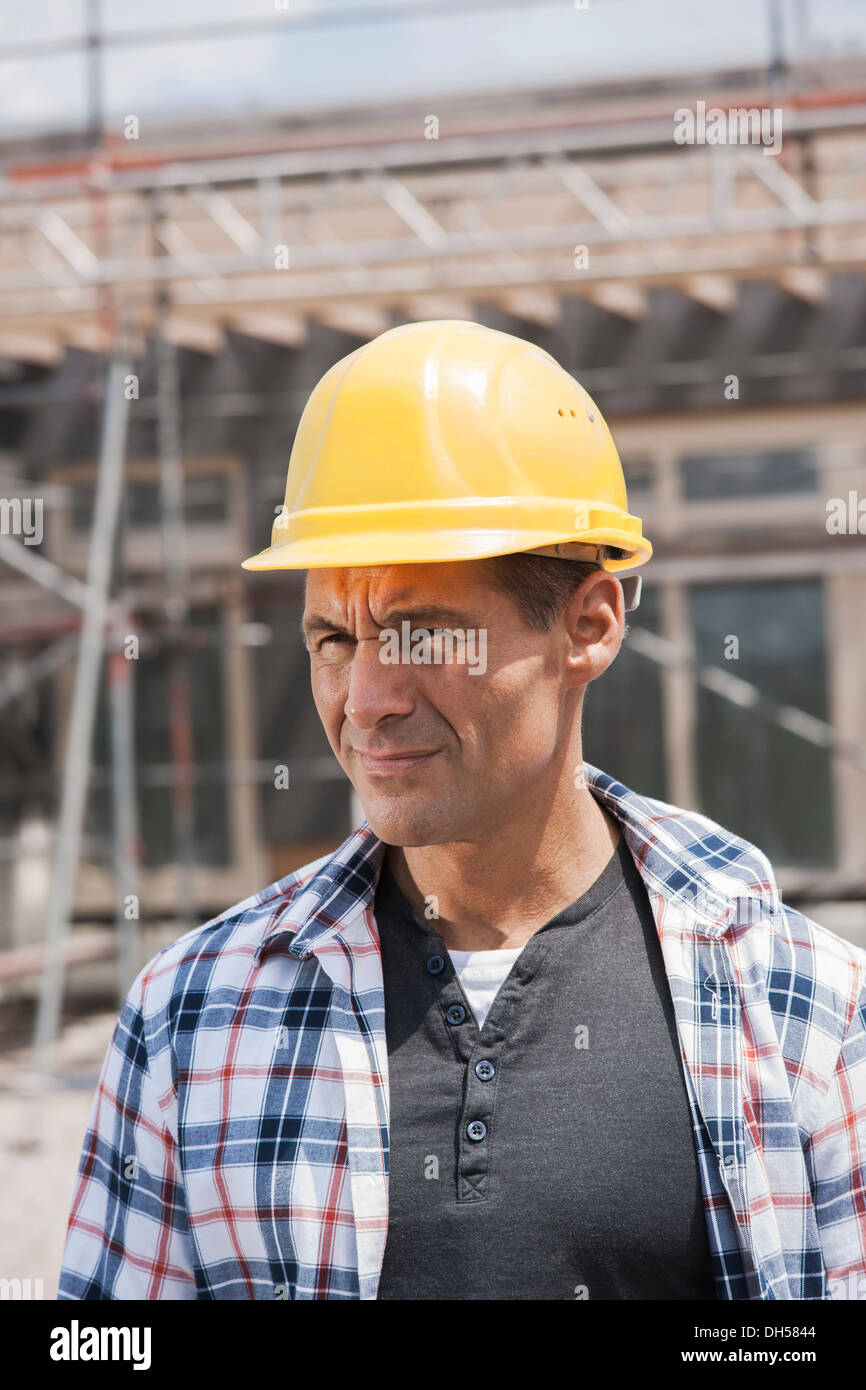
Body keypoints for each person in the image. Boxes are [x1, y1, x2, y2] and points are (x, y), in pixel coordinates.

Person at [58, 320, 866, 1300]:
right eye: (331, 639)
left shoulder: (800, 1010)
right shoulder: (194, 1015)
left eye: (423, 633)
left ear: (588, 625)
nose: (365, 700)